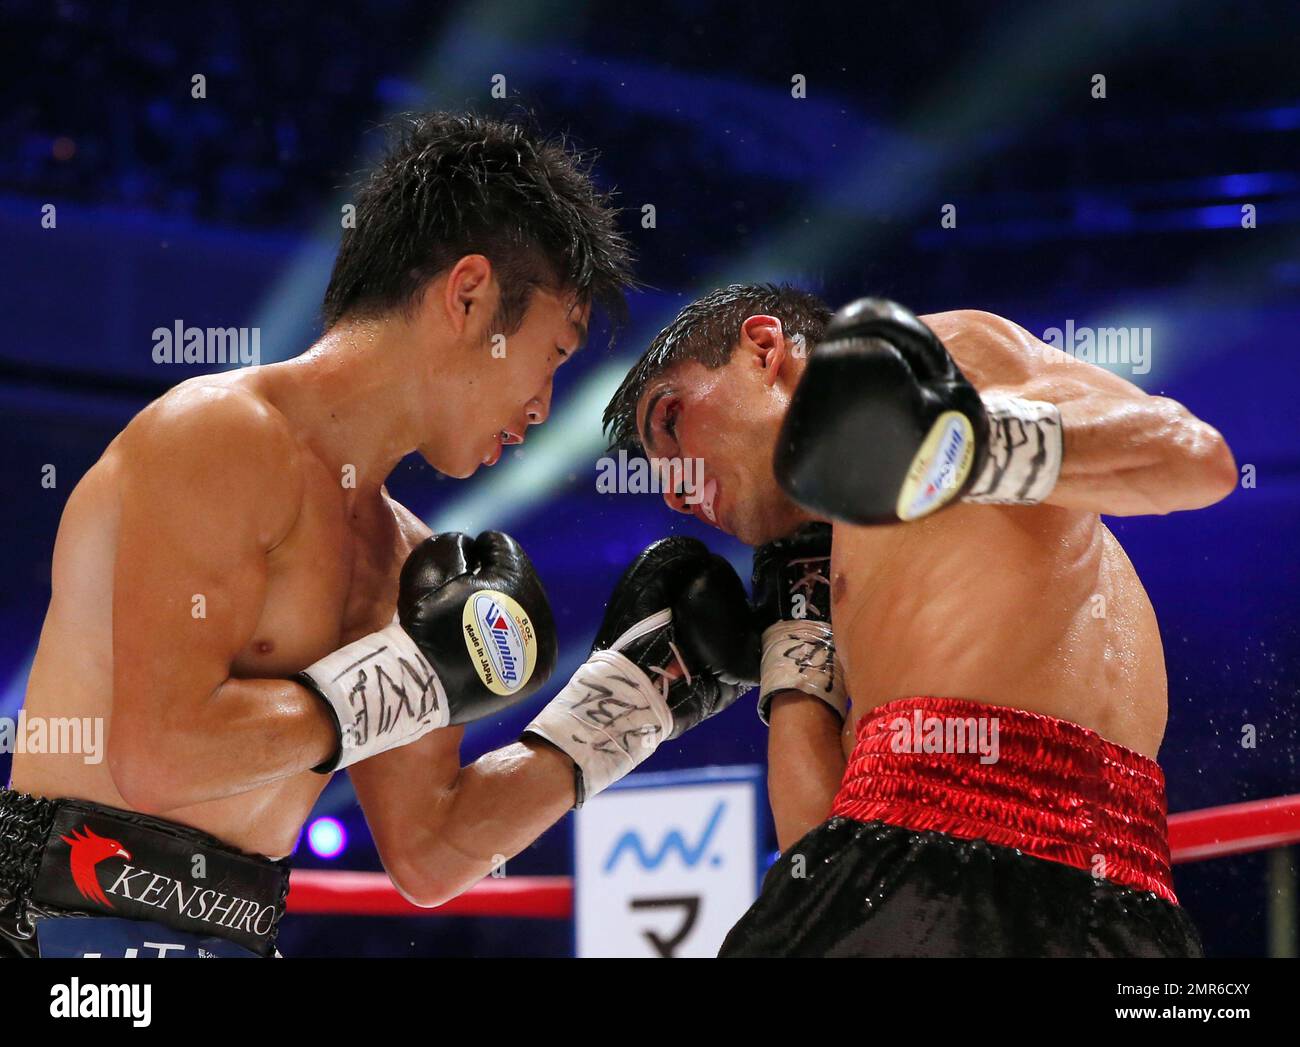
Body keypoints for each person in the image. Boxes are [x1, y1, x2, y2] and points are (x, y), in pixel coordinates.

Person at [1, 111, 757, 959]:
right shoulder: (216, 436)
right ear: (469, 296)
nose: (545, 405)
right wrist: (414, 675)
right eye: (552, 353)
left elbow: (431, 853)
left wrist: (625, 705)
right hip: (61, 933)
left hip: (233, 941)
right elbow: (162, 756)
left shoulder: (409, 559)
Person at [603, 285, 1238, 956]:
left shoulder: (933, 355)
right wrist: (790, 649)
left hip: (1103, 881)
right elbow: (817, 856)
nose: (675, 487)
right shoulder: (842, 556)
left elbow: (1196, 458)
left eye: (671, 421)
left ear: (764, 349)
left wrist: (958, 440)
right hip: (955, 885)